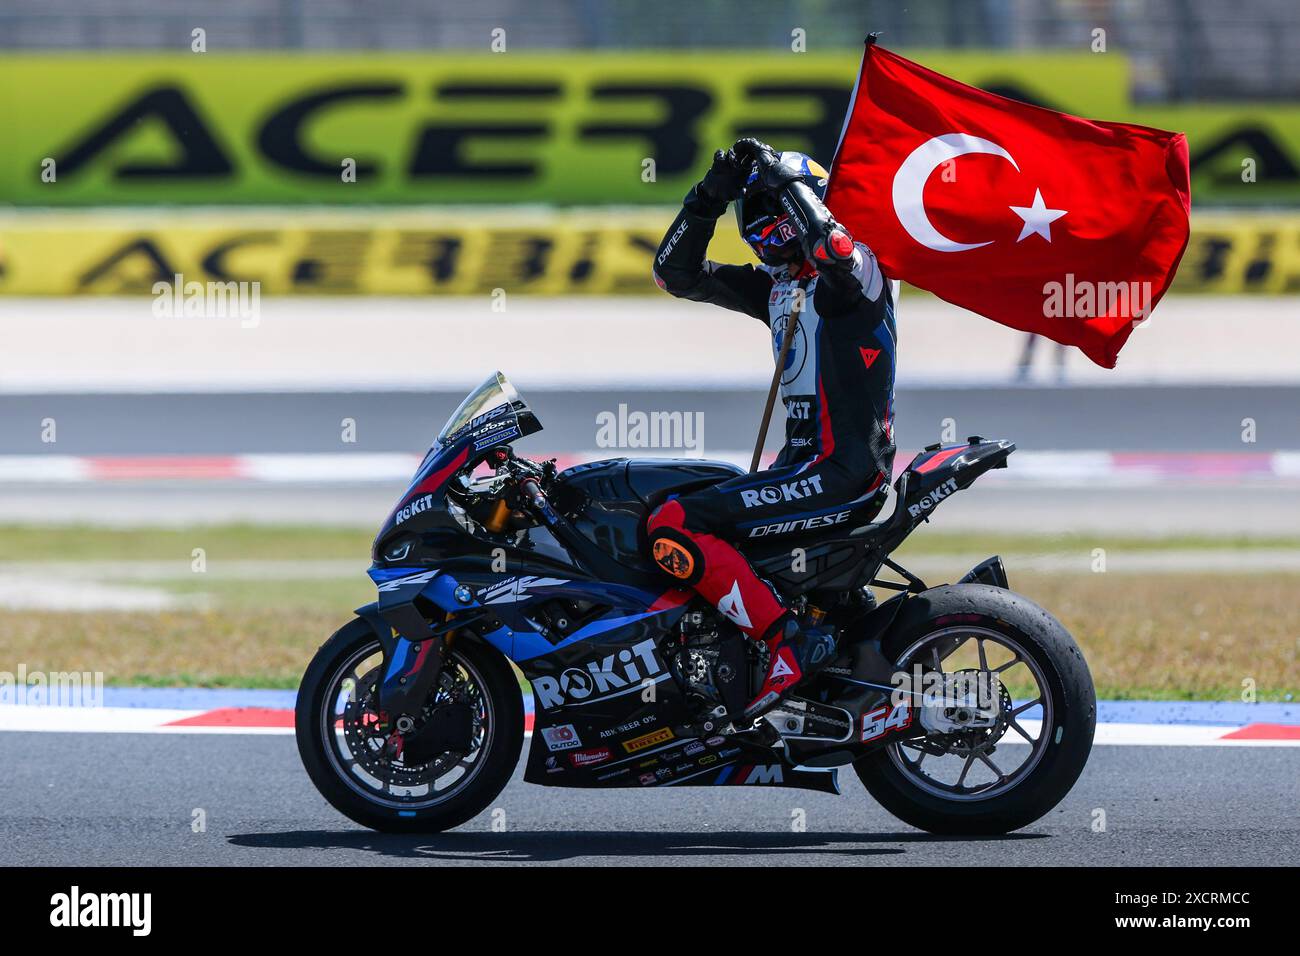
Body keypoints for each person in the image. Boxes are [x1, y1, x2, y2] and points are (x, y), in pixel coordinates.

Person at [646, 138, 897, 723]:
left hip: (841, 474)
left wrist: (781, 175)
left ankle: (789, 642)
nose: (758, 226)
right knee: (673, 500)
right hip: (799, 470)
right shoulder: (780, 286)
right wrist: (706, 197)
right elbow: (673, 274)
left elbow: (831, 248)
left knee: (677, 524)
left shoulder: (856, 275)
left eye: (767, 209)